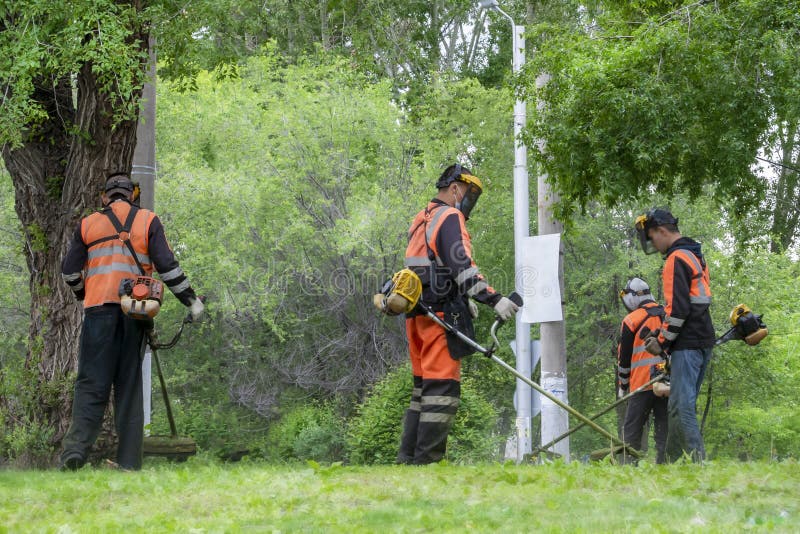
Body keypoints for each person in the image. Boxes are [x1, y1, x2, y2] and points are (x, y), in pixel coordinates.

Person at [59, 172, 204, 471]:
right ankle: (128, 463)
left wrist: (84, 293)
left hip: (98, 312)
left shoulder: (87, 224)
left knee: (91, 384)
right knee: (128, 388)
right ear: (133, 194)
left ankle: (74, 453)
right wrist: (191, 300)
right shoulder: (148, 221)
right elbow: (168, 267)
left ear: (104, 196)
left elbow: (69, 272)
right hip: (134, 315)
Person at [398, 163, 519, 464]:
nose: (466, 204)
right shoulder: (449, 216)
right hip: (439, 317)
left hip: (416, 315)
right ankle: (427, 464)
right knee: (441, 391)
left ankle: (407, 461)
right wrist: (494, 299)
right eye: (466, 195)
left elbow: (430, 265)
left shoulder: (421, 217)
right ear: (454, 189)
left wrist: (463, 298)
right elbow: (462, 267)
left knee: (422, 392)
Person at [634, 208, 714, 462]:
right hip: (701, 337)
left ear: (662, 231)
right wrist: (663, 333)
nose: (653, 244)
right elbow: (691, 306)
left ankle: (697, 462)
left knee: (681, 407)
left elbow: (678, 310)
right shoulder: (694, 255)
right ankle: (670, 462)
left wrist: (661, 341)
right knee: (679, 405)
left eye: (652, 237)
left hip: (688, 344)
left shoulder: (675, 259)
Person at [616, 277, 668, 464]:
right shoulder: (668, 315)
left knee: (632, 431)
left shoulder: (631, 320)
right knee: (665, 429)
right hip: (666, 383)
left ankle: (629, 467)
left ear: (632, 297)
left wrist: (623, 385)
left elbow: (624, 359)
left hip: (642, 385)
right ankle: (666, 466)